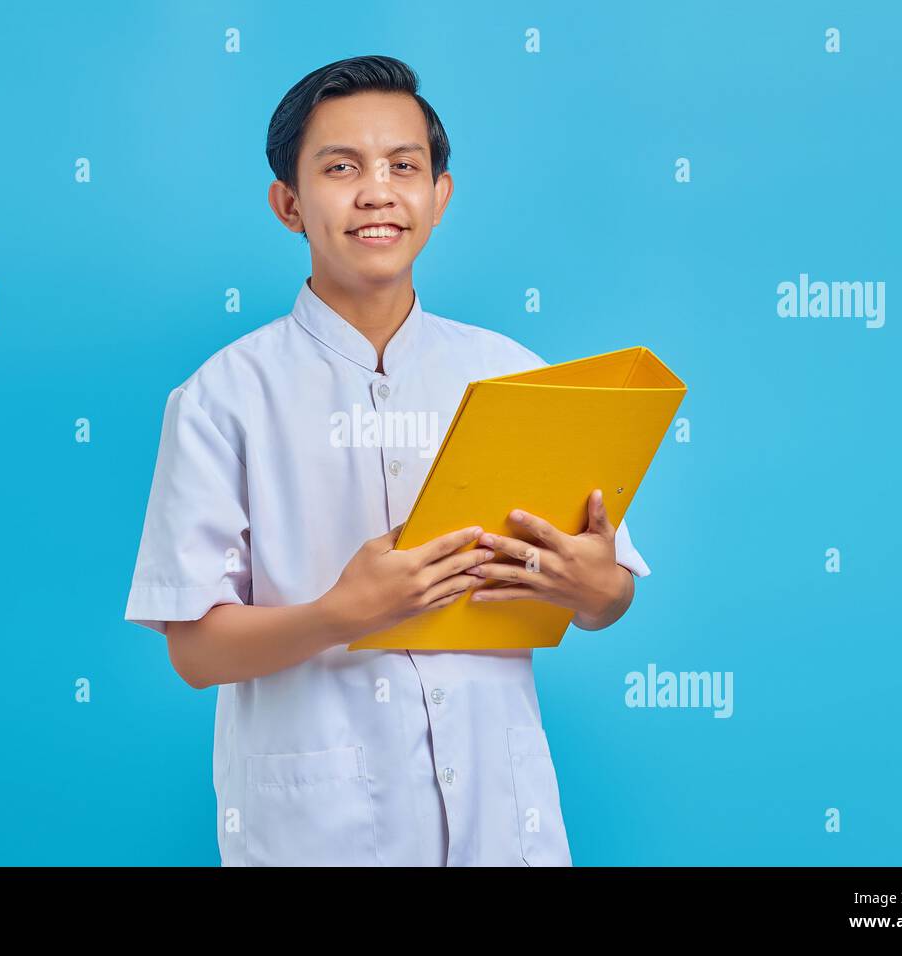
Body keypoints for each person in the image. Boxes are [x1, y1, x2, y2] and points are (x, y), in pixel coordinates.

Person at [124, 55, 651, 866]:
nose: (377, 191)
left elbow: (607, 594)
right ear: (289, 204)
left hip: (505, 825)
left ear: (440, 196)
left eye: (404, 166)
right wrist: (344, 611)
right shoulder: (222, 397)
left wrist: (593, 587)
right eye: (342, 168)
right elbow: (195, 652)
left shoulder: (516, 376)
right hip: (320, 833)